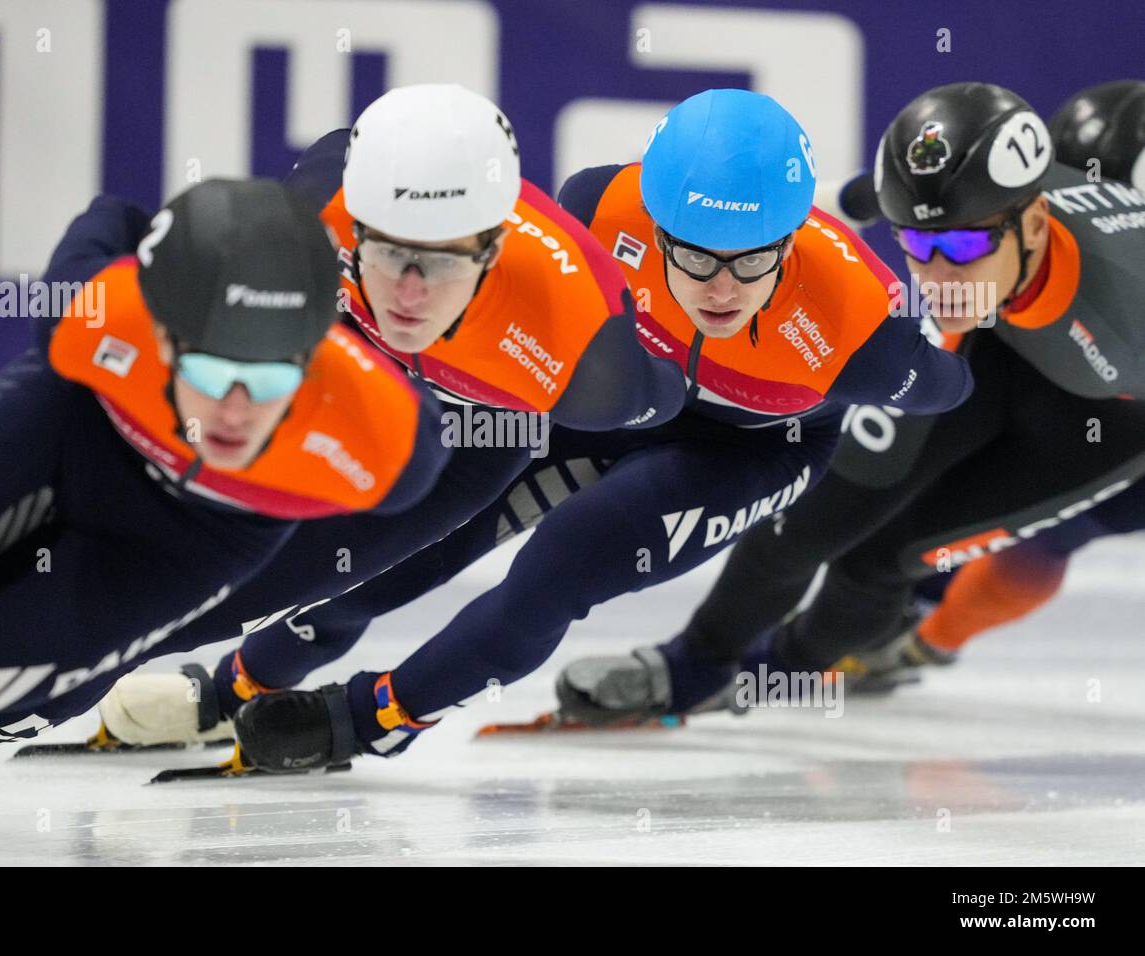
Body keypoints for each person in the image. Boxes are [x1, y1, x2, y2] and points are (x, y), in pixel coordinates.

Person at [227, 89, 973, 773]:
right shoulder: (595, 202)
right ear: (652, 220)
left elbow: (952, 386)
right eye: (691, 252)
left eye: (751, 261)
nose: (720, 287)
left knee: (564, 565)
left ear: (792, 239)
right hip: (606, 404)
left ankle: (370, 718)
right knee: (428, 525)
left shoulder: (862, 329)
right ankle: (249, 674)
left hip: (751, 448)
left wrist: (962, 305)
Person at [41, 84, 688, 749]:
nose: (408, 290)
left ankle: (228, 687)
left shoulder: (589, 353)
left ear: (491, 250)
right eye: (384, 247)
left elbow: (669, 401)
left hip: (478, 429)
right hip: (355, 370)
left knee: (340, 573)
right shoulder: (319, 199)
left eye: (440, 261)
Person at [0, 178, 450, 801]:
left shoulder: (388, 444)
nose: (236, 413)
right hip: (65, 432)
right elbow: (115, 214)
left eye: (270, 381)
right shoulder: (91, 307)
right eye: (210, 373)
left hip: (182, 547)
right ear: (161, 336)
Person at [561, 81, 1145, 725]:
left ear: (1034, 222)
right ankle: (693, 663)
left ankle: (781, 677)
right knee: (809, 519)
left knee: (882, 560)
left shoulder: (1129, 299)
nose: (937, 278)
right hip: (998, 349)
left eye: (961, 250)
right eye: (918, 248)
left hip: (1111, 422)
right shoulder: (952, 193)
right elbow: (854, 200)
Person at [832, 78, 1145, 686]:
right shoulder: (1029, 213)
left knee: (1047, 531)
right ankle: (913, 623)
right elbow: (944, 198)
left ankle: (930, 637)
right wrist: (866, 196)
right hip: (1062, 354)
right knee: (958, 483)